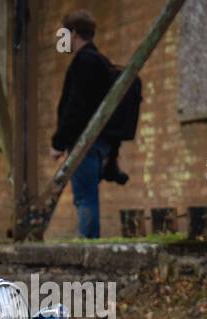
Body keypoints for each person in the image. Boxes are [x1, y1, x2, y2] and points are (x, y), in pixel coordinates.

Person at [51, 10, 120, 239]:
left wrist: (59, 142)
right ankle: (88, 245)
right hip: (100, 143)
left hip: (86, 143)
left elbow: (76, 107)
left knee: (85, 197)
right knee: (87, 195)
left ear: (73, 33)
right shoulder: (100, 61)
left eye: (64, 35)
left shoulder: (84, 61)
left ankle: (87, 248)